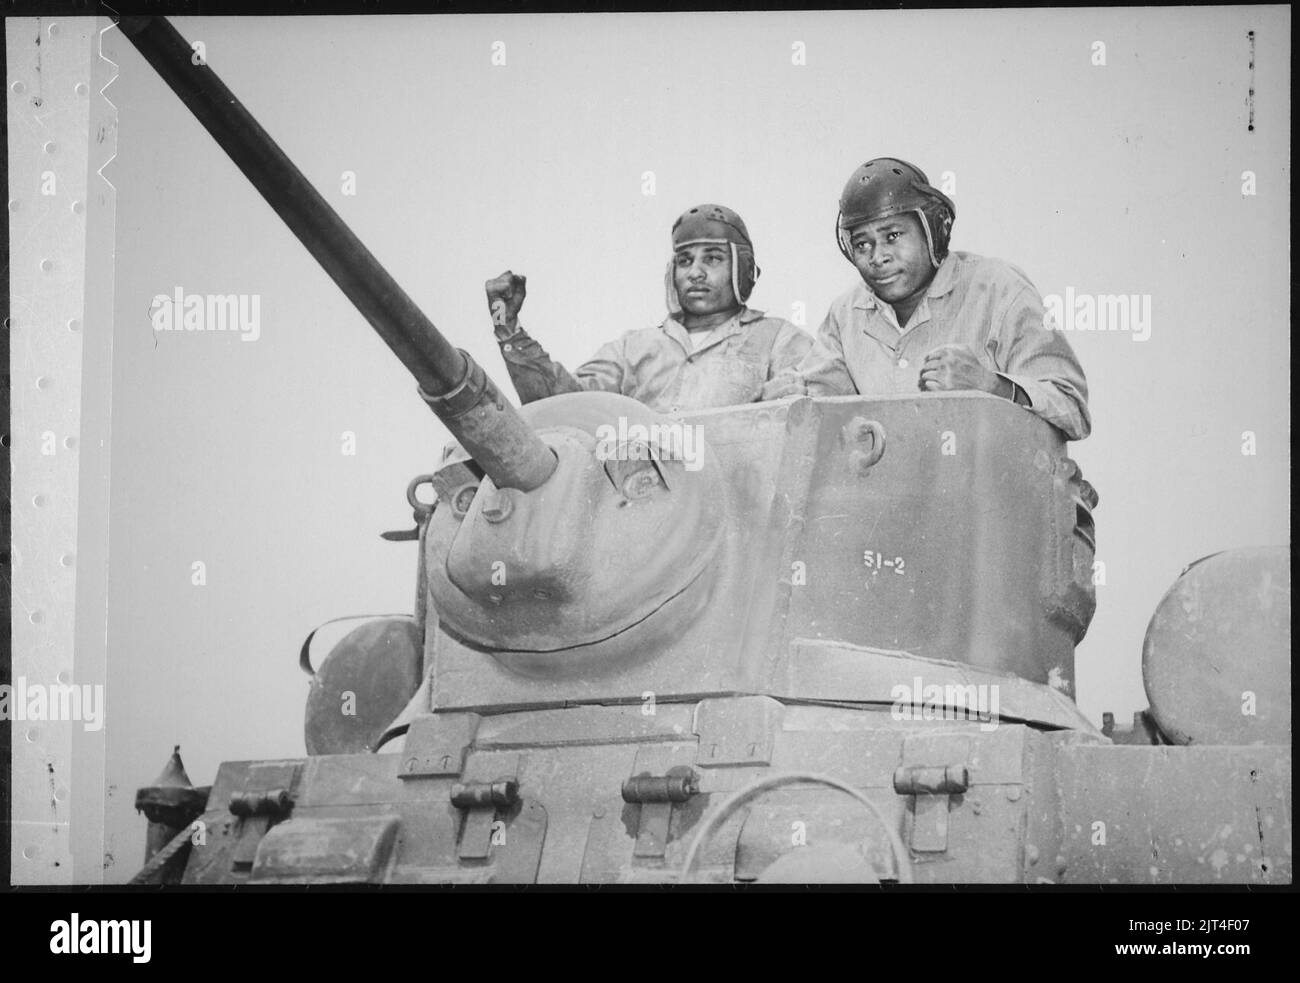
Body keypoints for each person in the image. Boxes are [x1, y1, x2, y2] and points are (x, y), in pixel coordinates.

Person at [774, 159, 1091, 440]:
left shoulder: (998, 288)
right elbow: (822, 403)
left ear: (933, 231)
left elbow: (1072, 408)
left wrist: (993, 387)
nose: (878, 256)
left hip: (994, 498)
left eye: (893, 236)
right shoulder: (846, 314)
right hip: (894, 501)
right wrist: (792, 398)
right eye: (862, 244)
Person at [485, 204, 813, 414]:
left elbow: (815, 405)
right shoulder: (633, 348)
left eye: (712, 258)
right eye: (685, 261)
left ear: (742, 268)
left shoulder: (779, 339)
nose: (695, 272)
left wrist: (789, 397)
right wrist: (509, 329)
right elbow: (564, 406)